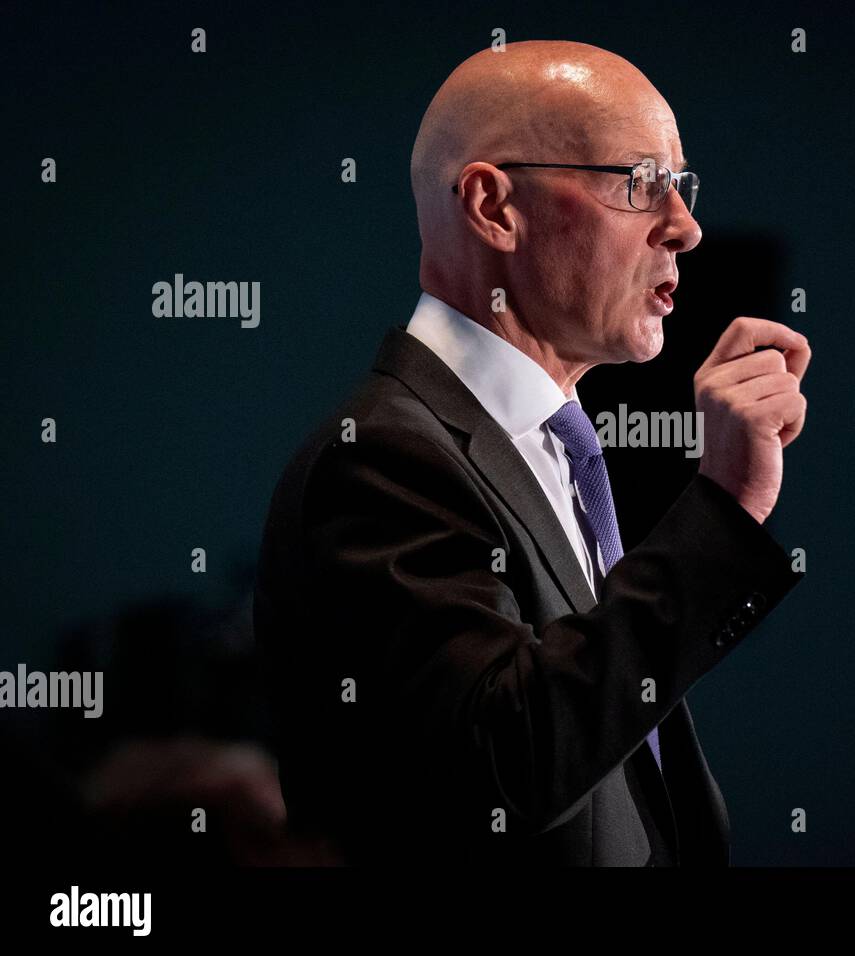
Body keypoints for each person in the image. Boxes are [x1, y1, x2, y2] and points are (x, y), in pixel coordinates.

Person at [254, 39, 811, 866]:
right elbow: (503, 761)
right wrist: (724, 508)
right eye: (641, 182)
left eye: (682, 186)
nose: (686, 227)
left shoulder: (552, 449)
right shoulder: (381, 458)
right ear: (493, 207)